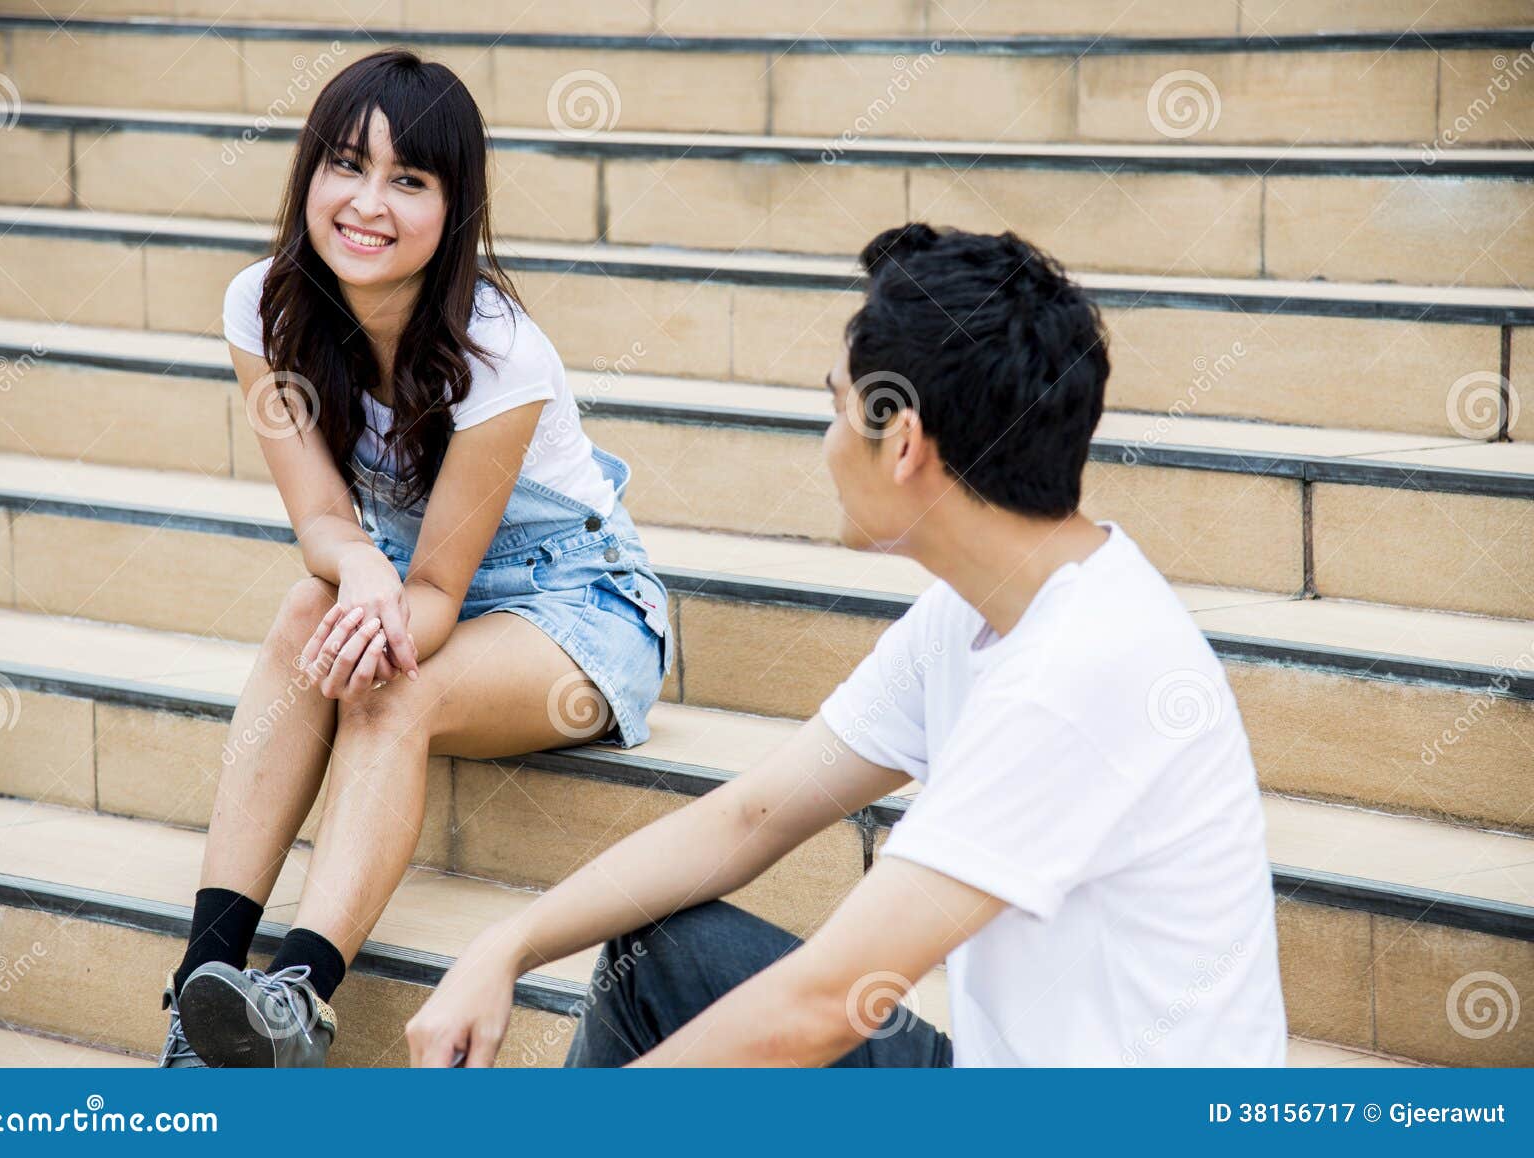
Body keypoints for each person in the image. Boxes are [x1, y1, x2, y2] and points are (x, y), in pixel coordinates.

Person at [404, 223, 1287, 1068]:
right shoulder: (978, 612)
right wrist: (506, 945)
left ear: (902, 441)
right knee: (669, 950)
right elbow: (751, 816)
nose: (825, 442)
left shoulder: (1081, 670)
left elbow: (828, 1003)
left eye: (835, 406)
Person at [157, 49, 672, 1068]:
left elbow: (438, 588)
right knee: (305, 613)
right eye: (346, 165)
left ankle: (296, 1000)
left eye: (409, 180)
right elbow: (321, 519)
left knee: (391, 691)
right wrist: (354, 570)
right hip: (404, 572)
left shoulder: (498, 350)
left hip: (570, 602)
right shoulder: (259, 308)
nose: (367, 203)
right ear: (308, 172)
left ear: (455, 207)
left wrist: (381, 596)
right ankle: (198, 996)